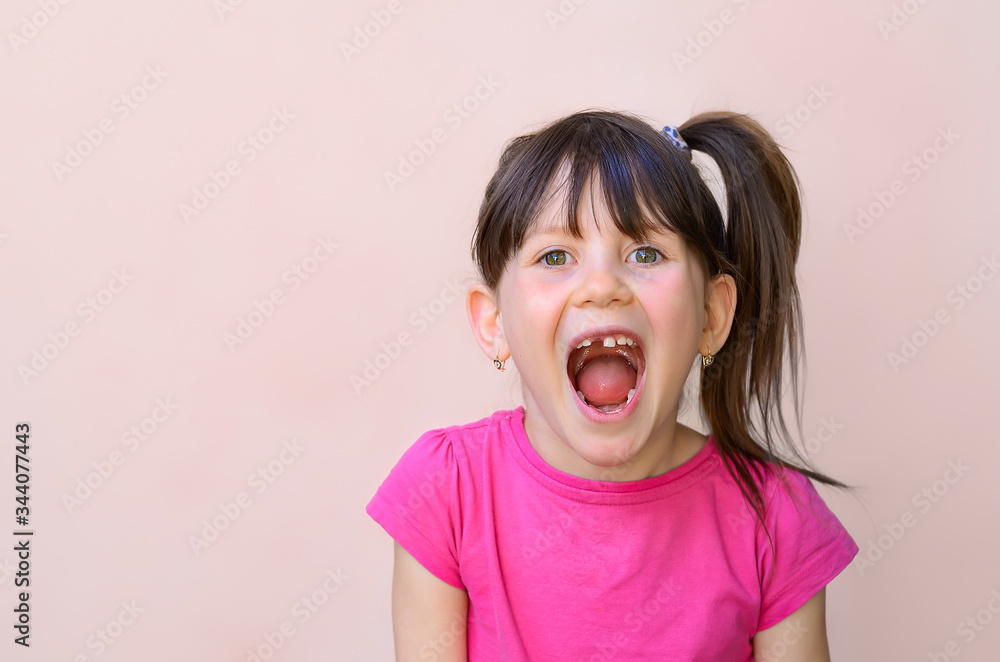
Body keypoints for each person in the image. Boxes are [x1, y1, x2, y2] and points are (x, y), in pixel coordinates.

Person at [366, 109, 859, 661]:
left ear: (711, 316)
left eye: (645, 253)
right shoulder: (446, 490)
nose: (601, 287)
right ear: (494, 323)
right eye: (555, 257)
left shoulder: (775, 520)